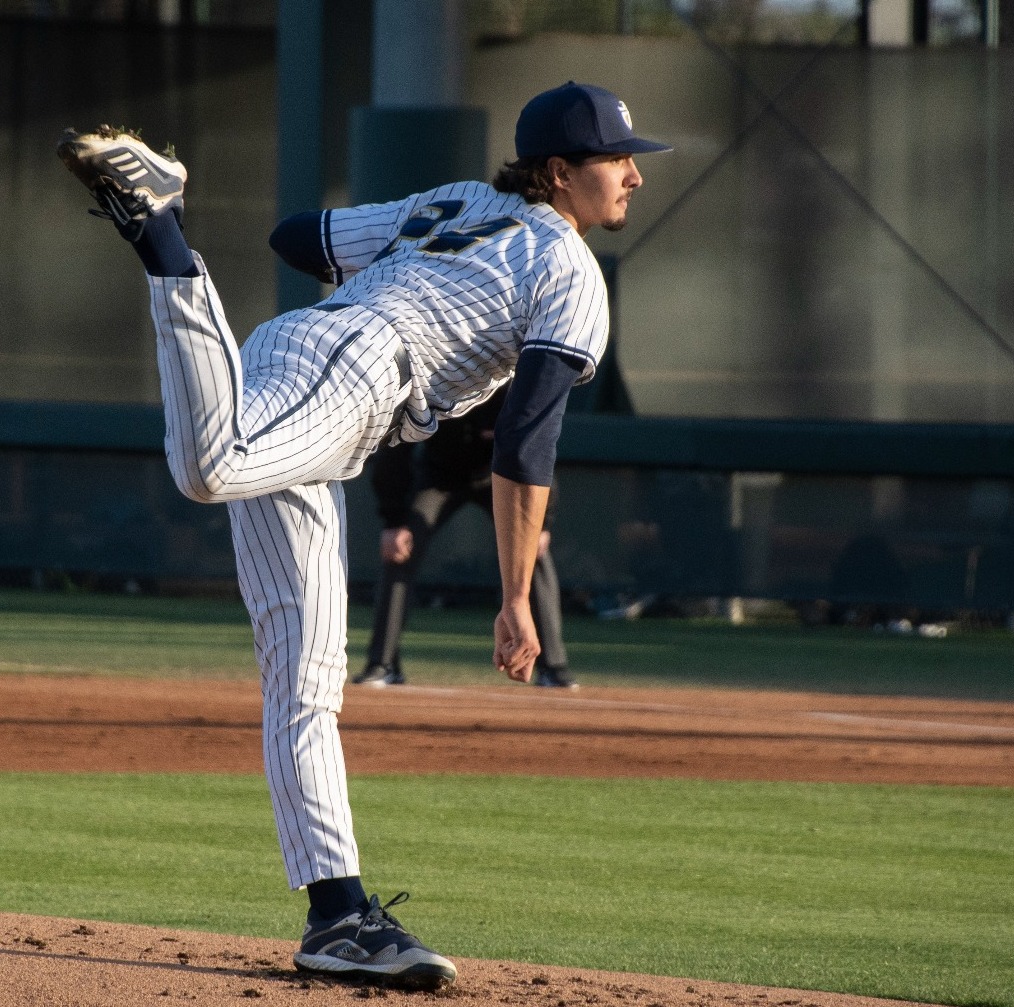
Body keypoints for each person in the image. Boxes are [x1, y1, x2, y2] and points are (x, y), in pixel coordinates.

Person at [57, 80, 667, 988]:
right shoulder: (571, 274)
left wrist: (409, 253)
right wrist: (511, 597)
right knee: (207, 466)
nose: (633, 176)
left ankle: (337, 914)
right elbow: (525, 441)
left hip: (310, 368)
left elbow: (296, 235)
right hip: (353, 373)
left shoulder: (460, 200)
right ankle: (163, 234)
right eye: (618, 159)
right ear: (559, 173)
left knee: (303, 678)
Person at [356, 385, 576, 688]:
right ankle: (382, 664)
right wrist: (394, 521)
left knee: (533, 555)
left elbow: (535, 452)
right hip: (439, 477)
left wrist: (543, 523)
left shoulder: (511, 384)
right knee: (401, 548)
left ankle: (553, 666)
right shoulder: (431, 378)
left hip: (499, 478)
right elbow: (395, 446)